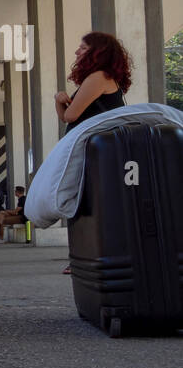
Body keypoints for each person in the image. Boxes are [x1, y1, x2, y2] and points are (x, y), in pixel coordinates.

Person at [54, 32, 131, 271]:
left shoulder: (98, 77)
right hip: (99, 151)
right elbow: (70, 120)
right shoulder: (103, 78)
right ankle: (84, 257)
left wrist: (59, 100)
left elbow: (71, 116)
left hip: (96, 153)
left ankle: (88, 257)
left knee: (91, 204)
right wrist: (63, 105)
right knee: (89, 203)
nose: (77, 52)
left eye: (82, 47)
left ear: (97, 52)